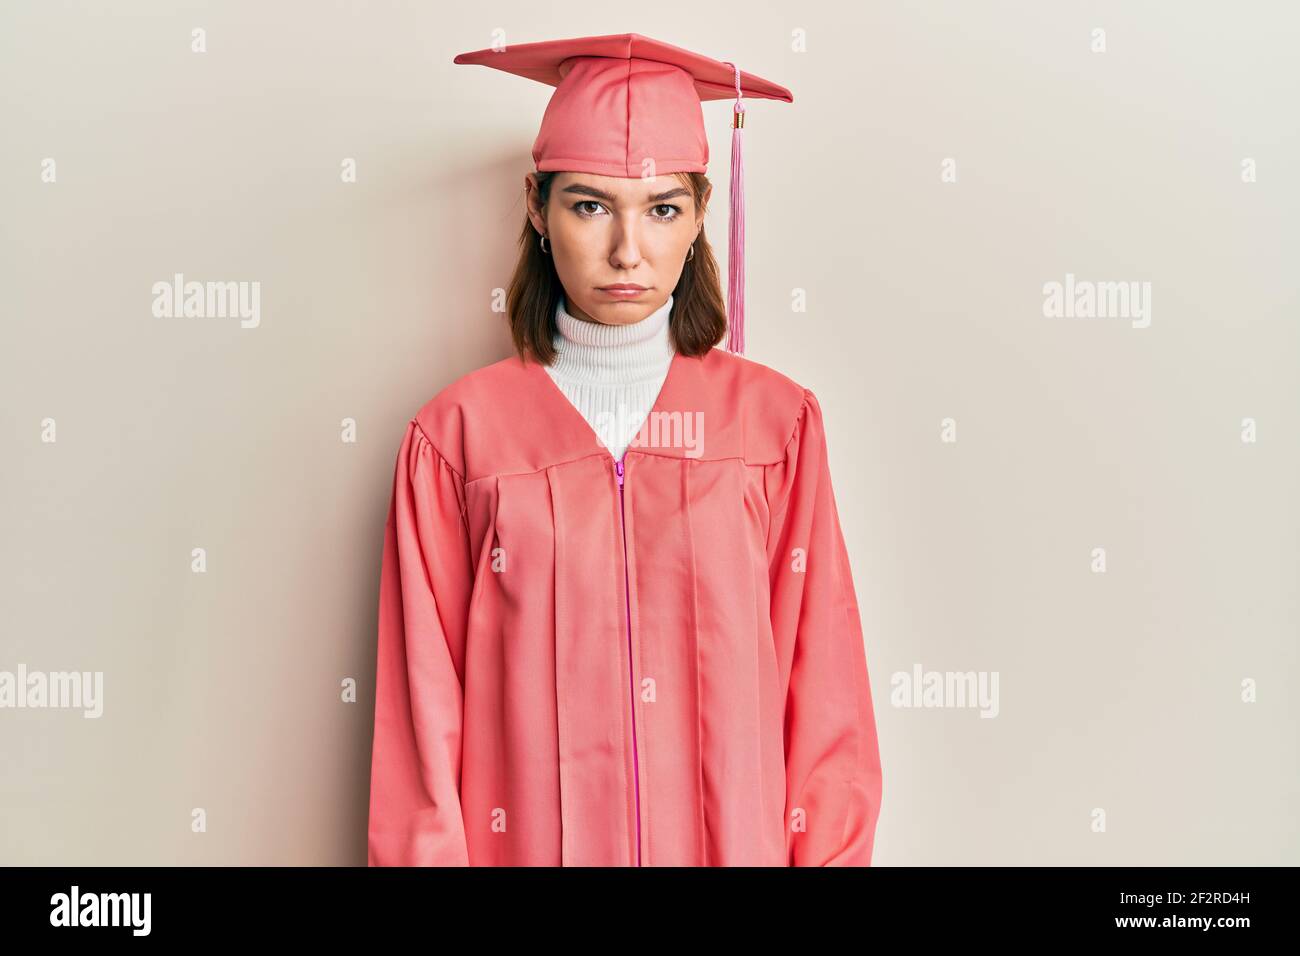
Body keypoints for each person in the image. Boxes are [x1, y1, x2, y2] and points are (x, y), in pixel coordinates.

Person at [367, 32, 882, 866]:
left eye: (662, 208)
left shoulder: (774, 427)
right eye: (589, 205)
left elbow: (826, 702)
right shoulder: (457, 439)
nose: (627, 251)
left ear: (702, 215)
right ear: (537, 207)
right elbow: (420, 727)